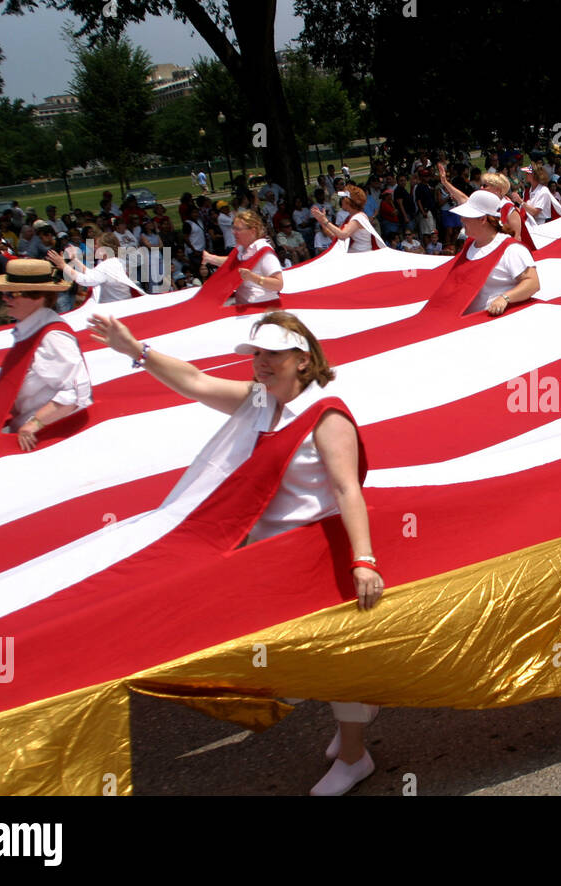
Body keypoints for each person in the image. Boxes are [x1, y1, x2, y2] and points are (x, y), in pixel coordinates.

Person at [86, 309, 384, 795]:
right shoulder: (260, 401)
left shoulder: (328, 415)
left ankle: (354, 754)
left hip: (313, 550)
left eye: (271, 354)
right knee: (280, 658)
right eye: (256, 354)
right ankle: (355, 711)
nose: (259, 363)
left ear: (302, 360)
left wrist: (364, 560)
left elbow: (348, 490)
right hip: (266, 554)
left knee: (330, 657)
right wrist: (136, 350)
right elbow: (197, 383)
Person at [0, 258, 93, 451]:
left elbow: (77, 391)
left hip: (46, 441)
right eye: (4, 293)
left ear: (37, 296)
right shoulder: (32, 330)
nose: (5, 298)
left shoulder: (52, 336)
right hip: (32, 438)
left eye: (12, 294)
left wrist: (34, 424)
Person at [449, 190, 540, 316]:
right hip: (467, 320)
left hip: (495, 320)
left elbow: (532, 283)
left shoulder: (512, 249)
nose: (462, 219)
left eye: (467, 217)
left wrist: (505, 298)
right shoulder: (470, 244)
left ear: (482, 219)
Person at [200, 209, 284, 304]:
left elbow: (278, 284)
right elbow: (234, 264)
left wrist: (253, 278)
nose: (233, 232)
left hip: (260, 306)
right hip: (242, 304)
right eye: (234, 228)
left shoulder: (264, 252)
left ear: (252, 231)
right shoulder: (241, 248)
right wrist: (211, 258)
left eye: (238, 229)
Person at [47, 232, 144, 304]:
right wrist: (75, 260)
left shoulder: (107, 265)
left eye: (97, 245)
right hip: (121, 304)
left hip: (115, 308)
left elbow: (86, 280)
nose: (95, 247)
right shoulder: (117, 261)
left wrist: (64, 266)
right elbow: (92, 274)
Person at [311, 184, 384, 253]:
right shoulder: (351, 217)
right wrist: (322, 221)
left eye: (342, 198)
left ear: (348, 202)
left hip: (361, 257)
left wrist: (325, 221)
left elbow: (343, 235)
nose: (341, 200)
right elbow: (335, 237)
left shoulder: (359, 217)